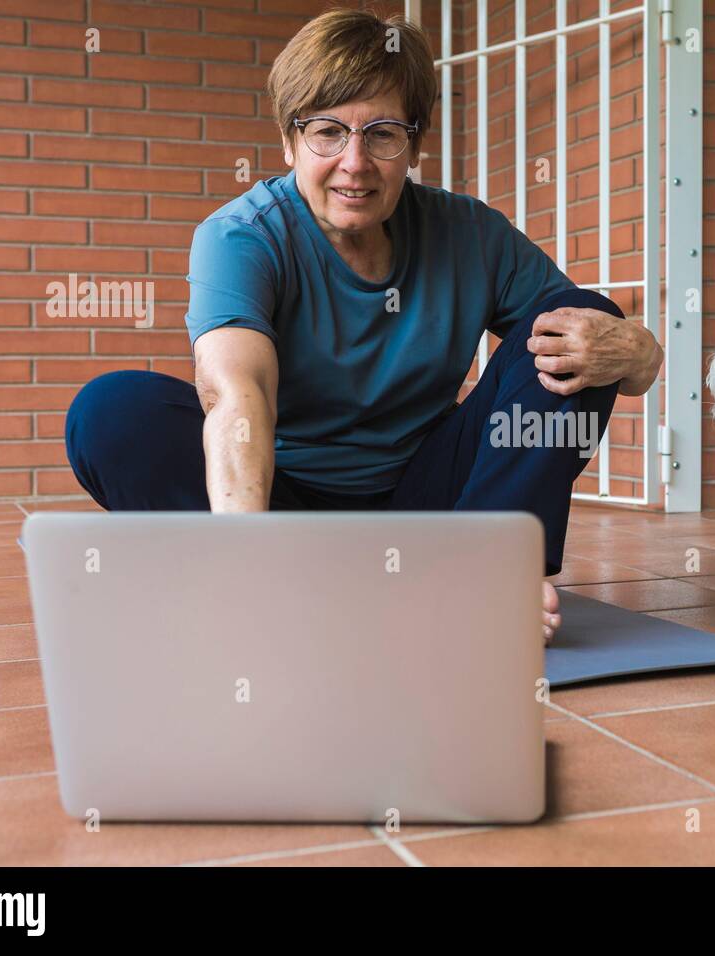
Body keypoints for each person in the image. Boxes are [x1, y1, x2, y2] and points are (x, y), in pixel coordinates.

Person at [64, 8, 664, 644]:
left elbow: (620, 360)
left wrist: (636, 347)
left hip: (426, 509)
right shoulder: (242, 236)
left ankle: (485, 569)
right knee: (111, 413)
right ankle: (285, 586)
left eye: (382, 134)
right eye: (327, 132)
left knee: (585, 320)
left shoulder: (468, 234)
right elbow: (237, 395)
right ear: (289, 141)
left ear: (414, 143)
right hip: (285, 511)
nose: (355, 163)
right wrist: (247, 555)